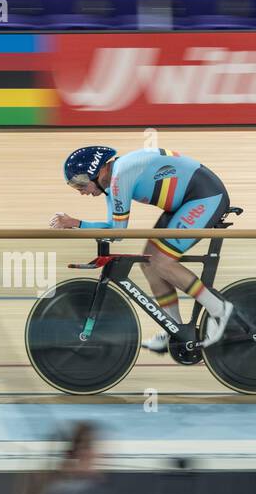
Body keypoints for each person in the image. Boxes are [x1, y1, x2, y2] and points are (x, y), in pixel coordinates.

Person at [51, 145, 235, 354]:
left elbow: (118, 233)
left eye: (81, 184)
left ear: (98, 170)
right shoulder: (114, 179)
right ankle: (173, 327)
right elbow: (114, 228)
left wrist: (77, 223)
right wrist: (79, 224)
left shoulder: (119, 177)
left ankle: (219, 310)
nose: (82, 191)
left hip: (204, 197)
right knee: (149, 263)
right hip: (185, 201)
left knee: (162, 262)